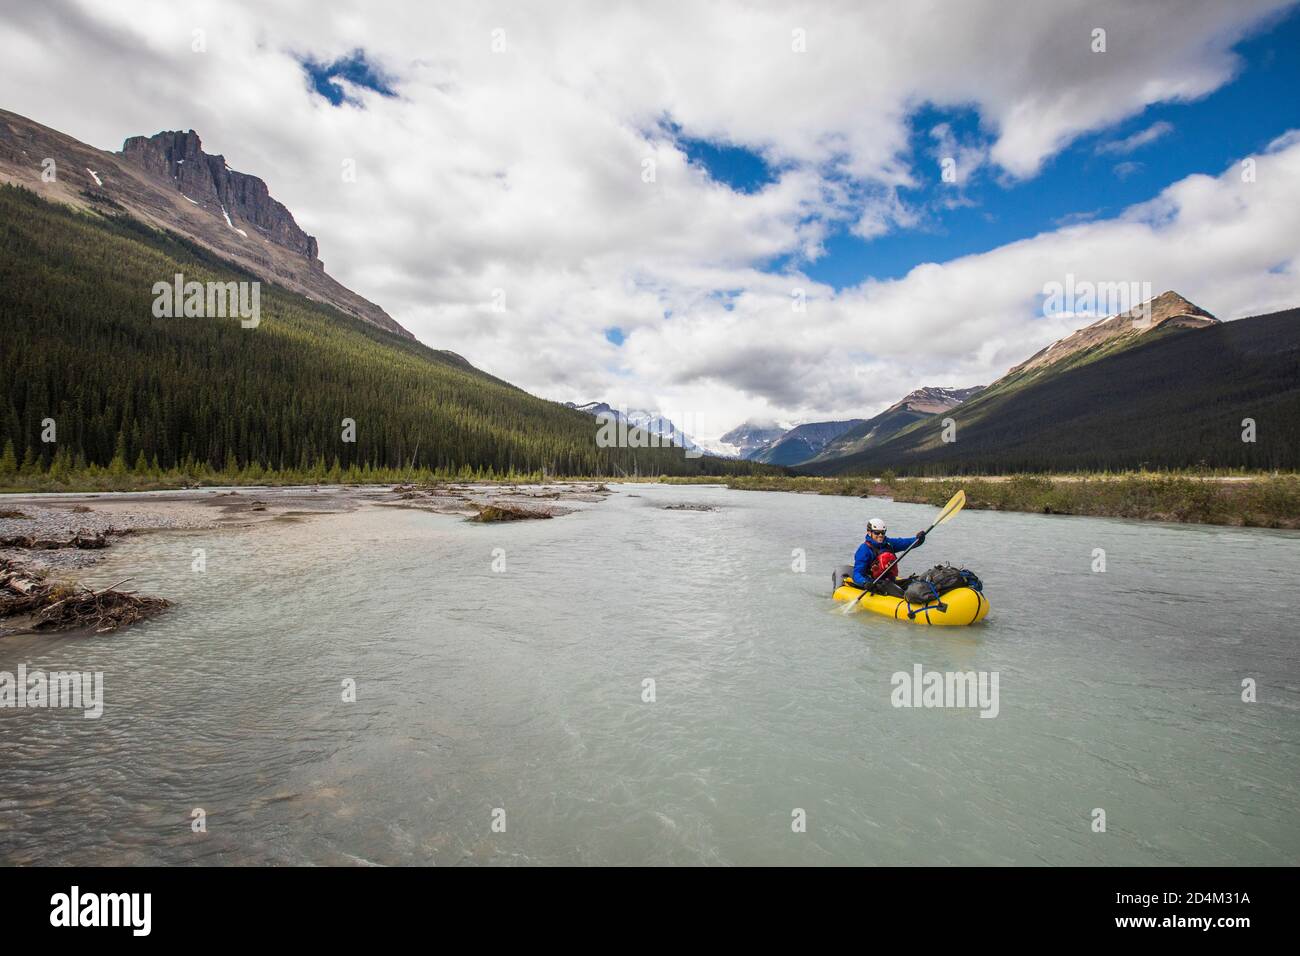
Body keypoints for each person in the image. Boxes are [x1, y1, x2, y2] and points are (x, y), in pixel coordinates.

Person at [851, 518, 926, 596]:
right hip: (874, 583)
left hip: (889, 581)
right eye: (877, 533)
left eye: (883, 532)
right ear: (869, 533)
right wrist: (865, 583)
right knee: (892, 588)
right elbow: (857, 573)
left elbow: (905, 543)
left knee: (916, 581)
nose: (880, 535)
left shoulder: (888, 543)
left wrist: (918, 539)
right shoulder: (864, 550)